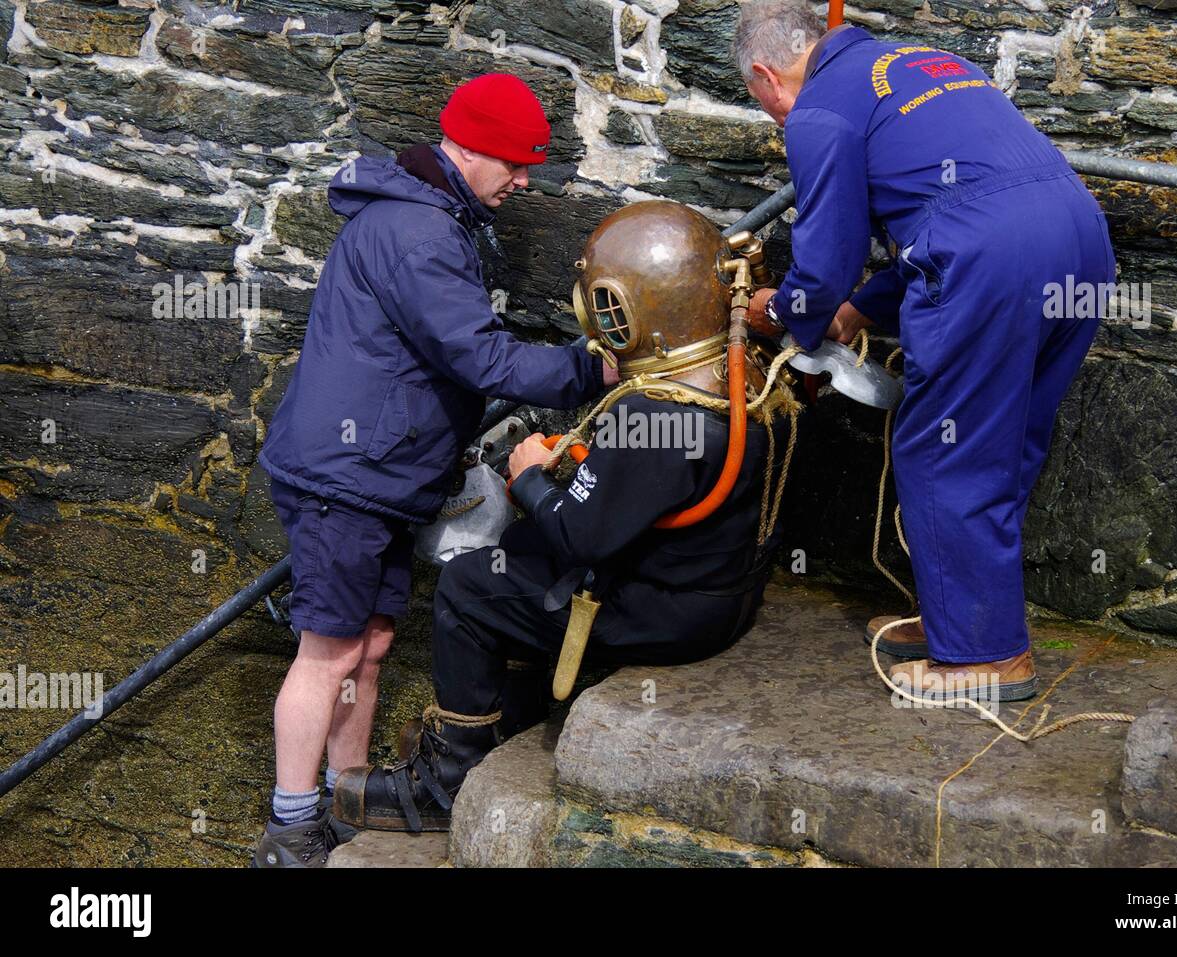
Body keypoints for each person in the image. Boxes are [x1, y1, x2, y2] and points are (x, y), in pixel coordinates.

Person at [330, 201, 797, 832]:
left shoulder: (657, 417)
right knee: (521, 549)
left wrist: (527, 477)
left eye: (608, 304)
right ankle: (507, 708)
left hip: (667, 612)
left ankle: (443, 783)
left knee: (469, 586)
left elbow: (581, 537)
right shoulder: (746, 380)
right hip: (718, 595)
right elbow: (644, 494)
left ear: (640, 313)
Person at [252, 73, 618, 867]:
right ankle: (289, 830)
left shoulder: (435, 217)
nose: (524, 181)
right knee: (329, 652)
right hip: (342, 479)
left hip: (379, 475)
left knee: (372, 643)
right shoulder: (419, 234)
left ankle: (347, 797)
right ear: (471, 147)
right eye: (516, 163)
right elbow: (480, 356)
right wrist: (594, 371)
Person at [735, 2, 1115, 701]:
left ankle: (986, 660)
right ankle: (963, 621)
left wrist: (783, 310)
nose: (777, 122)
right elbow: (960, 202)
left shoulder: (819, 109)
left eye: (767, 108)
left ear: (767, 73)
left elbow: (826, 264)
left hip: (991, 262)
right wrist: (860, 310)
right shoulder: (922, 63)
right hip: (1080, 242)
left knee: (943, 450)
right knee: (1006, 444)